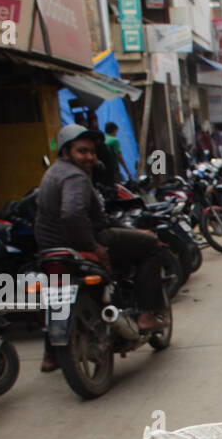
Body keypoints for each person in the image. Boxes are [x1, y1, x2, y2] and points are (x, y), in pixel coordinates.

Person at [35, 123, 168, 371]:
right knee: (151, 245)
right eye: (81, 151)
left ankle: (51, 353)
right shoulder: (74, 176)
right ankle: (148, 314)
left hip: (51, 247)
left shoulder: (52, 173)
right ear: (66, 152)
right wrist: (95, 247)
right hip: (83, 240)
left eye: (92, 152)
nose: (89, 157)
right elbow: (73, 214)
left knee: (57, 294)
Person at [96, 122, 130, 186]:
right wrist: (127, 171)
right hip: (113, 168)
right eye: (116, 131)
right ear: (114, 130)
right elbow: (119, 156)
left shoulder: (104, 139)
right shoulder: (114, 140)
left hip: (104, 169)